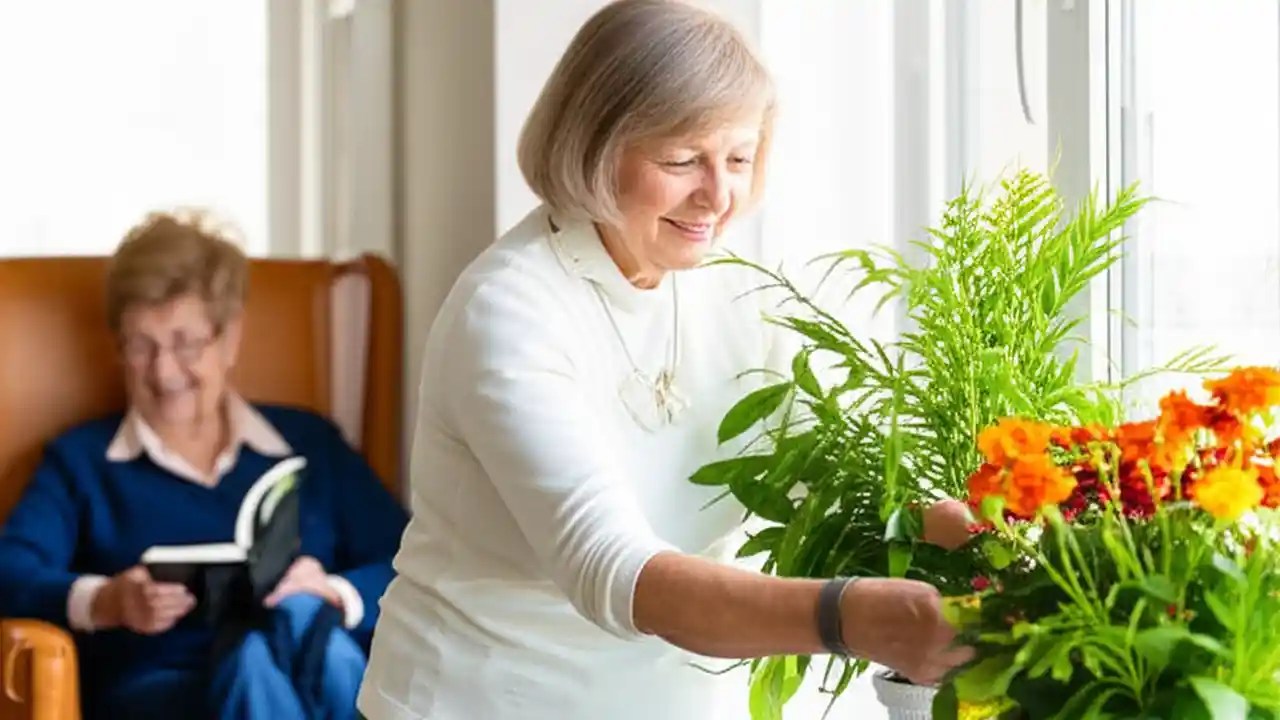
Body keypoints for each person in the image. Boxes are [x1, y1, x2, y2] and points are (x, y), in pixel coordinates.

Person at [357, 2, 972, 718]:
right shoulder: (509, 309)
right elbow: (617, 574)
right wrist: (850, 617)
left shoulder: (738, 290)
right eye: (683, 160)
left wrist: (971, 527)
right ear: (592, 144)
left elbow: (827, 485)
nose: (719, 195)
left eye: (739, 159)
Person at [0, 210, 409, 720]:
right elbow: (9, 571)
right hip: (170, 693)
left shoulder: (309, 444)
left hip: (312, 673)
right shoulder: (80, 462)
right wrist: (107, 601)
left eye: (185, 344)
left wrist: (334, 592)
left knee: (300, 629)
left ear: (230, 339)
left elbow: (413, 563)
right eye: (141, 346)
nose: (165, 371)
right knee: (257, 661)